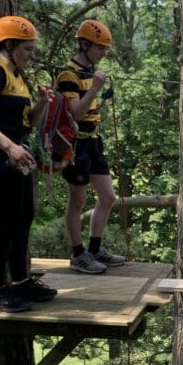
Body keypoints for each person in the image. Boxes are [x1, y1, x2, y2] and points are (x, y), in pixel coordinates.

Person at [0, 15, 58, 312]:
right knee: (4, 223)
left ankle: (20, 281)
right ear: (8, 45)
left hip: (16, 157)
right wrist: (8, 147)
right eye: (27, 49)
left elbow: (26, 123)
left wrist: (43, 103)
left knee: (23, 219)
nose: (32, 56)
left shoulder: (16, 75)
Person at [56, 19, 128, 275]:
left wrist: (99, 93)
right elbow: (75, 113)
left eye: (105, 49)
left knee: (108, 197)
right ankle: (78, 255)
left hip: (93, 142)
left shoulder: (88, 73)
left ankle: (95, 249)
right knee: (78, 200)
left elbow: (89, 109)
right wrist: (96, 88)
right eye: (100, 48)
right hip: (76, 146)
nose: (103, 53)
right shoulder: (68, 74)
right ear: (84, 44)